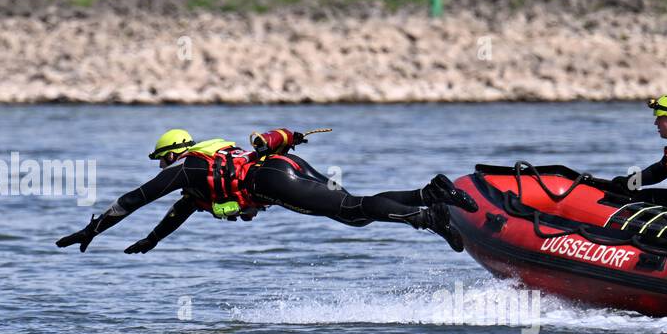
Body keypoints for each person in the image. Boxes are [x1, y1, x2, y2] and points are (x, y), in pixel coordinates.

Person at [55, 128, 477, 255]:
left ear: (171, 155)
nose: (162, 168)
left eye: (161, 160)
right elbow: (183, 209)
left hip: (271, 181)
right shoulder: (204, 167)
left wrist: (94, 229)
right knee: (355, 212)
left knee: (352, 209)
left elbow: (134, 199)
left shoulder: (187, 167)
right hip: (283, 166)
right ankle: (426, 209)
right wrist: (152, 240)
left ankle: (429, 200)